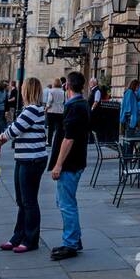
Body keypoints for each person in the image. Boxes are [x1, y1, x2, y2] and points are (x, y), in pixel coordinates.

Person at [0, 77, 48, 253]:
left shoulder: (31, 110)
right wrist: (0, 141)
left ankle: (31, 239)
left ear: (27, 91)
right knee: (22, 200)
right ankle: (18, 236)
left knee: (29, 201)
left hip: (32, 159)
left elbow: (13, 130)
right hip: (26, 158)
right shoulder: (32, 110)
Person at [49, 71, 91, 260]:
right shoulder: (82, 104)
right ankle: (74, 239)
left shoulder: (75, 106)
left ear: (67, 86)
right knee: (65, 201)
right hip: (77, 160)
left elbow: (69, 139)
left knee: (66, 204)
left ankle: (71, 243)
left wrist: (58, 165)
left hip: (70, 163)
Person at [44, 78, 66, 147]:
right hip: (60, 111)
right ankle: (59, 142)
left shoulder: (51, 91)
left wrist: (46, 108)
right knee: (59, 128)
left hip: (51, 111)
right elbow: (65, 102)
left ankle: (49, 142)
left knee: (50, 128)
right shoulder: (63, 92)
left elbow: (50, 101)